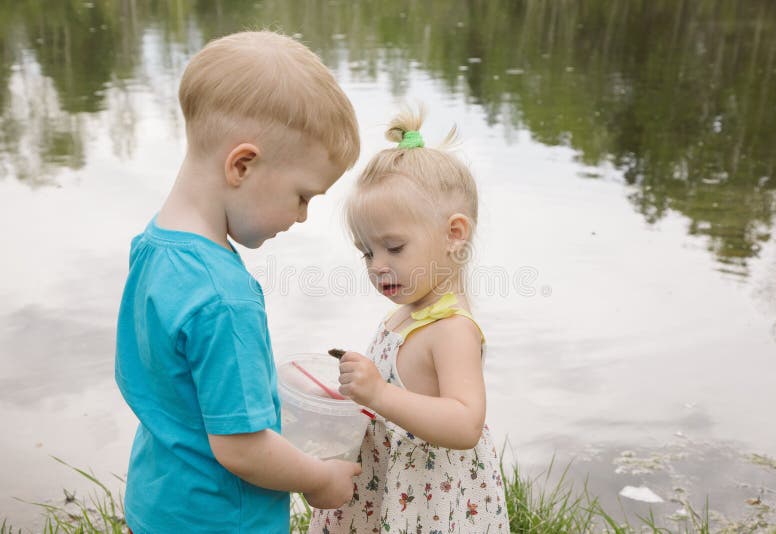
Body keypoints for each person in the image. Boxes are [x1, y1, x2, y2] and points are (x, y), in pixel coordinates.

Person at [115, 30, 362, 533]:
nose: (302, 216)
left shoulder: (154, 247)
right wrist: (318, 478)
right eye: (302, 195)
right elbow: (243, 449)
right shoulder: (223, 296)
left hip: (159, 503)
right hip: (220, 519)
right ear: (242, 165)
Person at [309, 108, 510, 533]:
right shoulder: (406, 312)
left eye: (394, 248)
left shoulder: (453, 329)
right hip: (392, 486)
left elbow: (465, 422)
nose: (377, 265)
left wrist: (379, 394)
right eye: (367, 252)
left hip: (431, 500)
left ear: (454, 234)